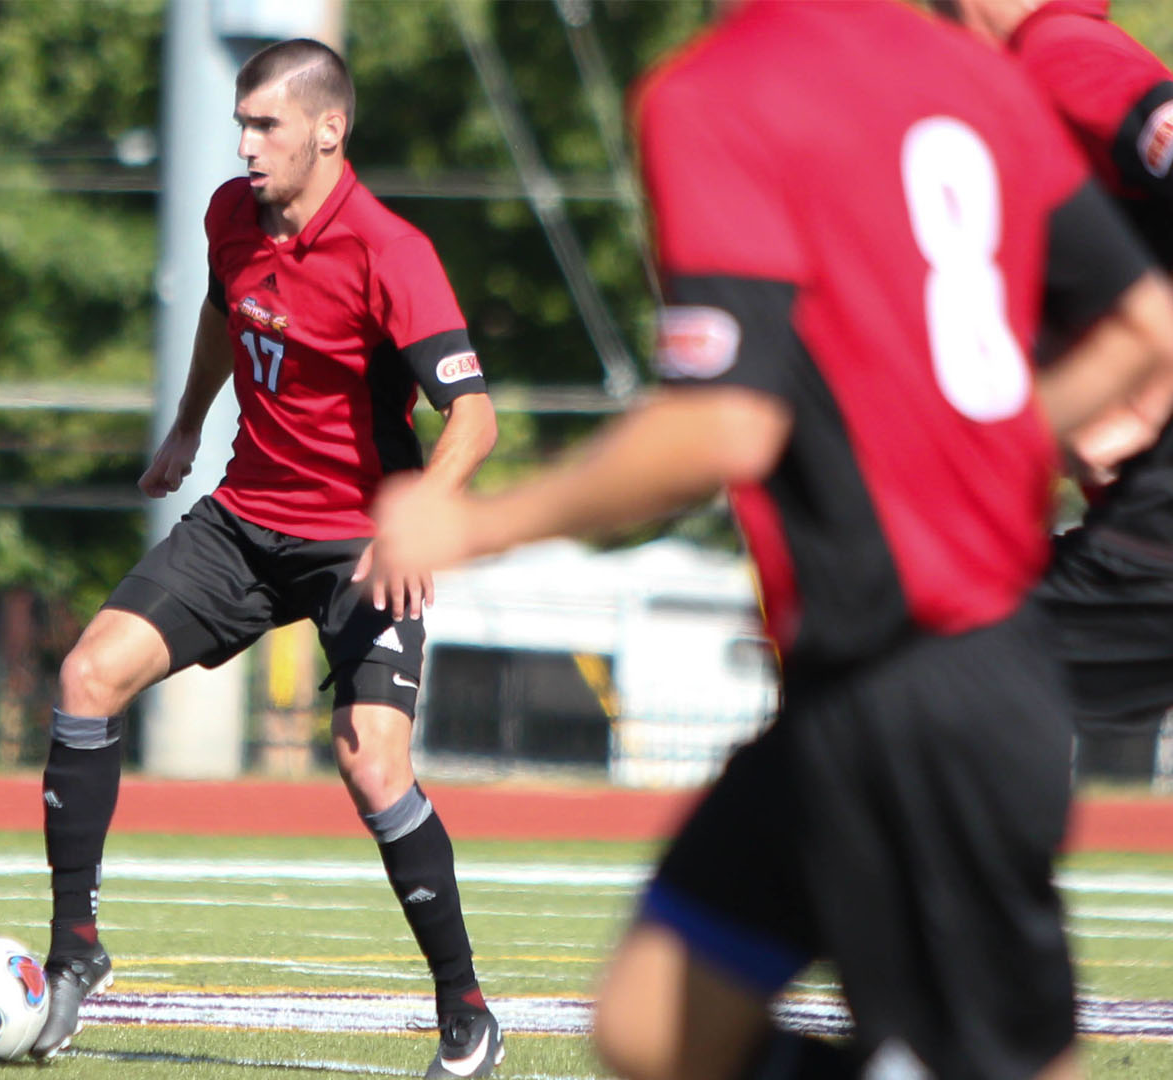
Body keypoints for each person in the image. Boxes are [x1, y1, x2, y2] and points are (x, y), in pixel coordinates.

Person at [370, 2, 1173, 1078]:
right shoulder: (972, 79)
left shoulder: (714, 93)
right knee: (650, 1024)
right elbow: (1144, 323)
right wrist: (1004, 440)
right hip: (886, 683)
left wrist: (478, 522)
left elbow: (726, 423)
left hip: (933, 677)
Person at [31, 37, 505, 1078]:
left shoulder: (391, 251)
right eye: (241, 124)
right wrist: (188, 426)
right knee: (86, 675)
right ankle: (77, 952)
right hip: (245, 518)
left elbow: (473, 417)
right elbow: (220, 311)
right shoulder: (228, 216)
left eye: (265, 126)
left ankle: (466, 1008)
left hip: (358, 545)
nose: (244, 144)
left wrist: (417, 516)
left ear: (328, 132)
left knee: (372, 766)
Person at [935, 0, 1173, 762]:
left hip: (1156, 531)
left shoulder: (1063, 51)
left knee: (916, 708)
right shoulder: (973, 90)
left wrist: (1146, 398)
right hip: (1139, 528)